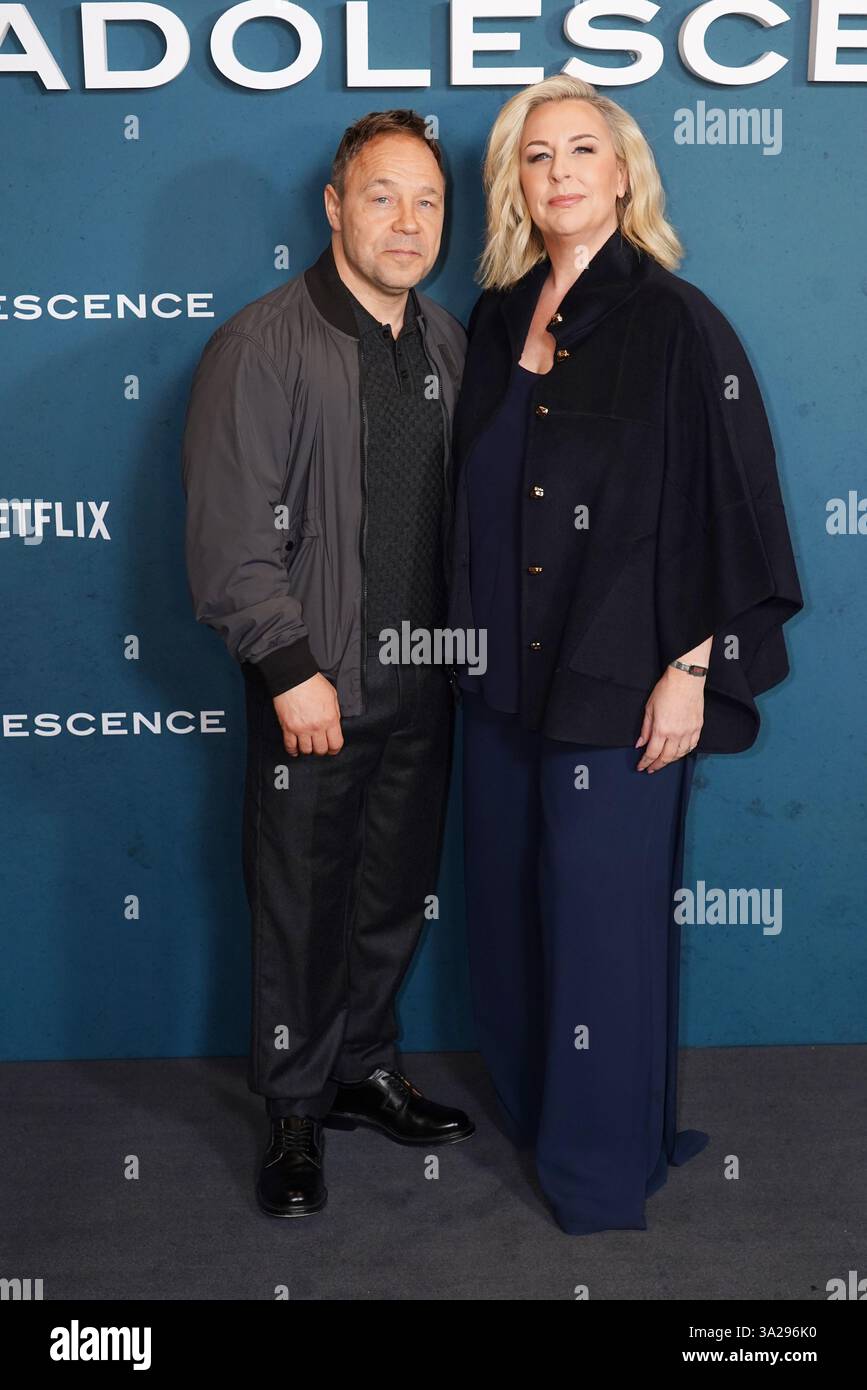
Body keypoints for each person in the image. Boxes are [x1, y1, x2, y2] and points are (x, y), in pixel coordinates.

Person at [447, 75, 803, 1235]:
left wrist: (691, 668)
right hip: (499, 673)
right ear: (516, 181)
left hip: (619, 677)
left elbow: (722, 503)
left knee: (602, 930)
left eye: (581, 151)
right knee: (508, 915)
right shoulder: (500, 316)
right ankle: (587, 1120)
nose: (559, 173)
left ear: (622, 173)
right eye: (536, 155)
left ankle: (601, 1181)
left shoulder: (677, 321)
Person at [181, 110, 474, 1220]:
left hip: (428, 677)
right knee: (302, 904)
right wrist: (287, 663)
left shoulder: (446, 345)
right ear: (335, 206)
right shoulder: (263, 342)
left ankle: (361, 1067)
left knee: (392, 893)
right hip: (316, 684)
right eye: (384, 195)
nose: (407, 221)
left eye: (428, 201)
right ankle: (296, 1107)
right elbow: (227, 534)